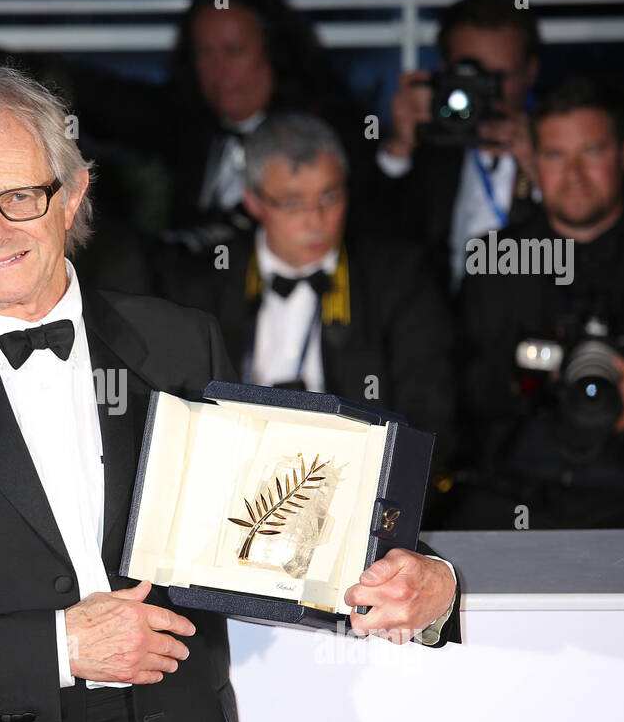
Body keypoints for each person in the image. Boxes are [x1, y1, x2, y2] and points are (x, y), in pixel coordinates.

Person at [0, 66, 459, 722]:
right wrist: (58, 648)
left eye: (19, 196)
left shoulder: (179, 342)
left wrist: (428, 585)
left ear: (74, 192)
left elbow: (279, 542)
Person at [455, 76, 624, 528]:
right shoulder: (496, 262)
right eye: (556, 155)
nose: (573, 175)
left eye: (592, 152)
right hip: (514, 493)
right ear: (534, 163)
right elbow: (457, 398)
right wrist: (528, 384)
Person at [0, 0, 373, 239]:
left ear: (274, 51)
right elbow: (99, 98)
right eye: (203, 54)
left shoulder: (323, 129)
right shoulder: (189, 120)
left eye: (233, 51)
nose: (217, 70)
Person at [159, 111, 457, 483]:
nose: (316, 220)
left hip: (354, 483)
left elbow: (427, 414)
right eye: (293, 202)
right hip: (229, 482)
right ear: (252, 200)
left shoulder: (397, 279)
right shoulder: (202, 281)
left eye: (329, 197)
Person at [377, 0, 544, 297]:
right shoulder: (431, 149)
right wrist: (399, 148)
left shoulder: (559, 142)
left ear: (530, 72)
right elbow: (373, 237)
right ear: (444, 72)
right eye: (471, 76)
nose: (485, 91)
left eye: (498, 77)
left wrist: (543, 175)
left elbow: (596, 250)